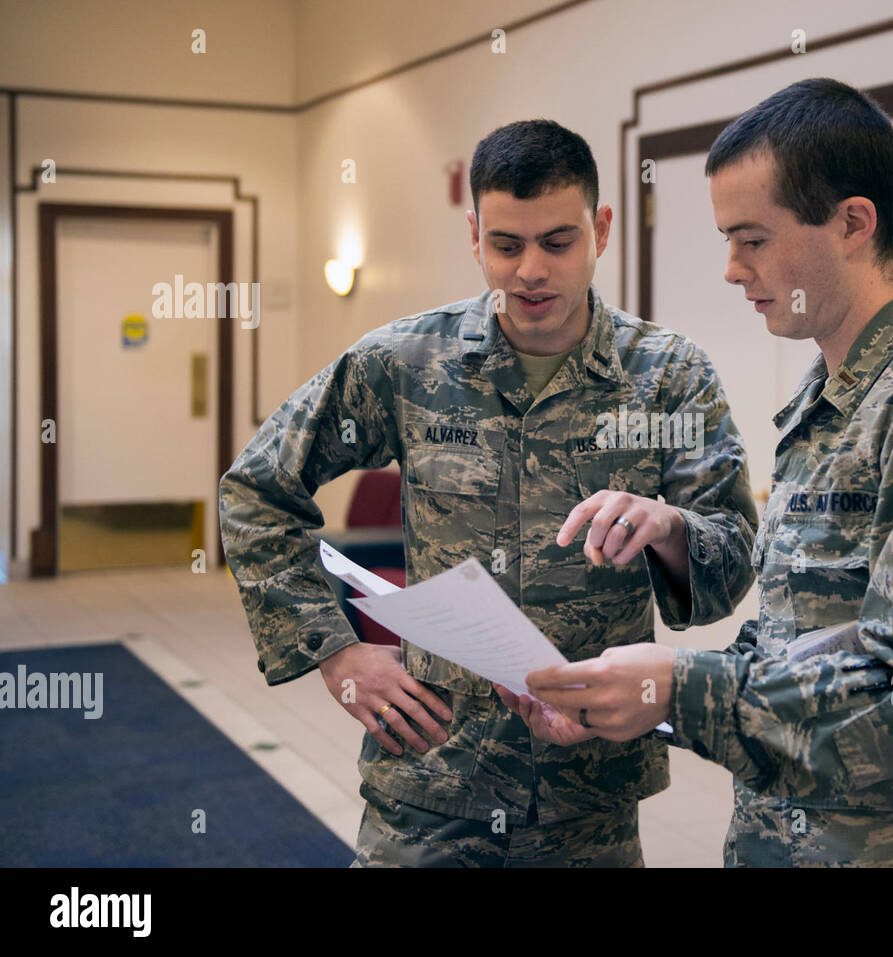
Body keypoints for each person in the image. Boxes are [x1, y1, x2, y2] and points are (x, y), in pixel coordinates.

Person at [513, 79, 893, 867]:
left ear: (852, 223)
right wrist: (631, 699)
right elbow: (795, 644)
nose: (733, 269)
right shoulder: (828, 405)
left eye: (753, 238)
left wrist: (679, 685)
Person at [218, 119, 758, 867]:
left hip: (588, 796)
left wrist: (668, 525)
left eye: (558, 241)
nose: (531, 269)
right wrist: (336, 652)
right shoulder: (405, 364)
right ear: (474, 235)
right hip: (432, 781)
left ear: (602, 229)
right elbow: (255, 490)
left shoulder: (667, 377)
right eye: (507, 244)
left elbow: (732, 560)